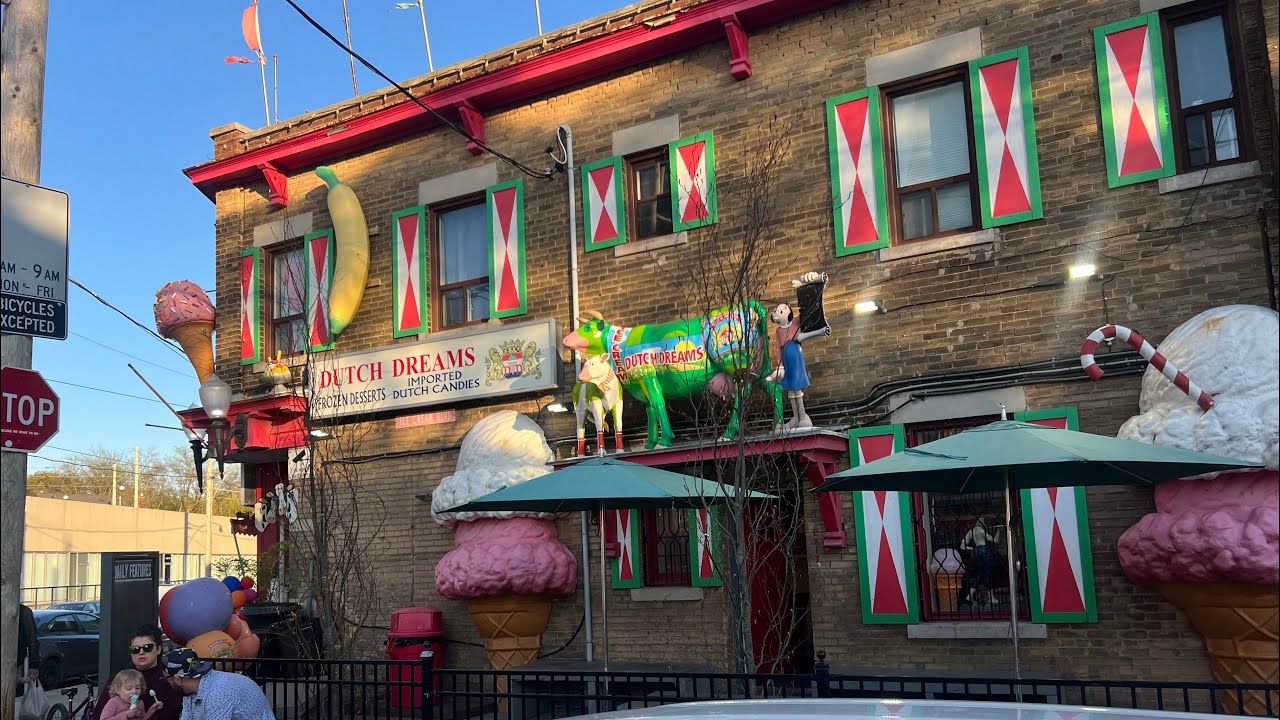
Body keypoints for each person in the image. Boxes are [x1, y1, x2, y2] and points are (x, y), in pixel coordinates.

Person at [92, 624, 182, 720]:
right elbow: (99, 714)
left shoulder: (167, 680)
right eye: (135, 649)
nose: (141, 652)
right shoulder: (119, 678)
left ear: (158, 649)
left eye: (147, 647)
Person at [765, 302, 831, 430]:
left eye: (782, 310)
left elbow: (807, 314)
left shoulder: (795, 322)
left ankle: (802, 416)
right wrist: (780, 365)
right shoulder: (779, 331)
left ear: (788, 311)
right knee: (790, 386)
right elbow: (778, 348)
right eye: (777, 311)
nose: (779, 312)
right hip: (786, 359)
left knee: (796, 386)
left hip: (796, 356)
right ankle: (796, 417)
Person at [162, 648, 274, 720]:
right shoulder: (188, 691)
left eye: (166, 678)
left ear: (178, 680)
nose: (165, 682)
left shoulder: (218, 692)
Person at [100, 669, 165, 720]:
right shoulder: (114, 702)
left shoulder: (140, 703)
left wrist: (151, 710)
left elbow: (142, 718)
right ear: (117, 690)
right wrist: (126, 715)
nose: (134, 691)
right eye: (128, 688)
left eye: (138, 688)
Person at [17, 603, 40, 695]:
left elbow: (32, 640)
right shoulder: (24, 611)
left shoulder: (23, 612)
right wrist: (34, 665)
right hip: (13, 661)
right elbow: (32, 639)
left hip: (13, 662)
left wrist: (34, 665)